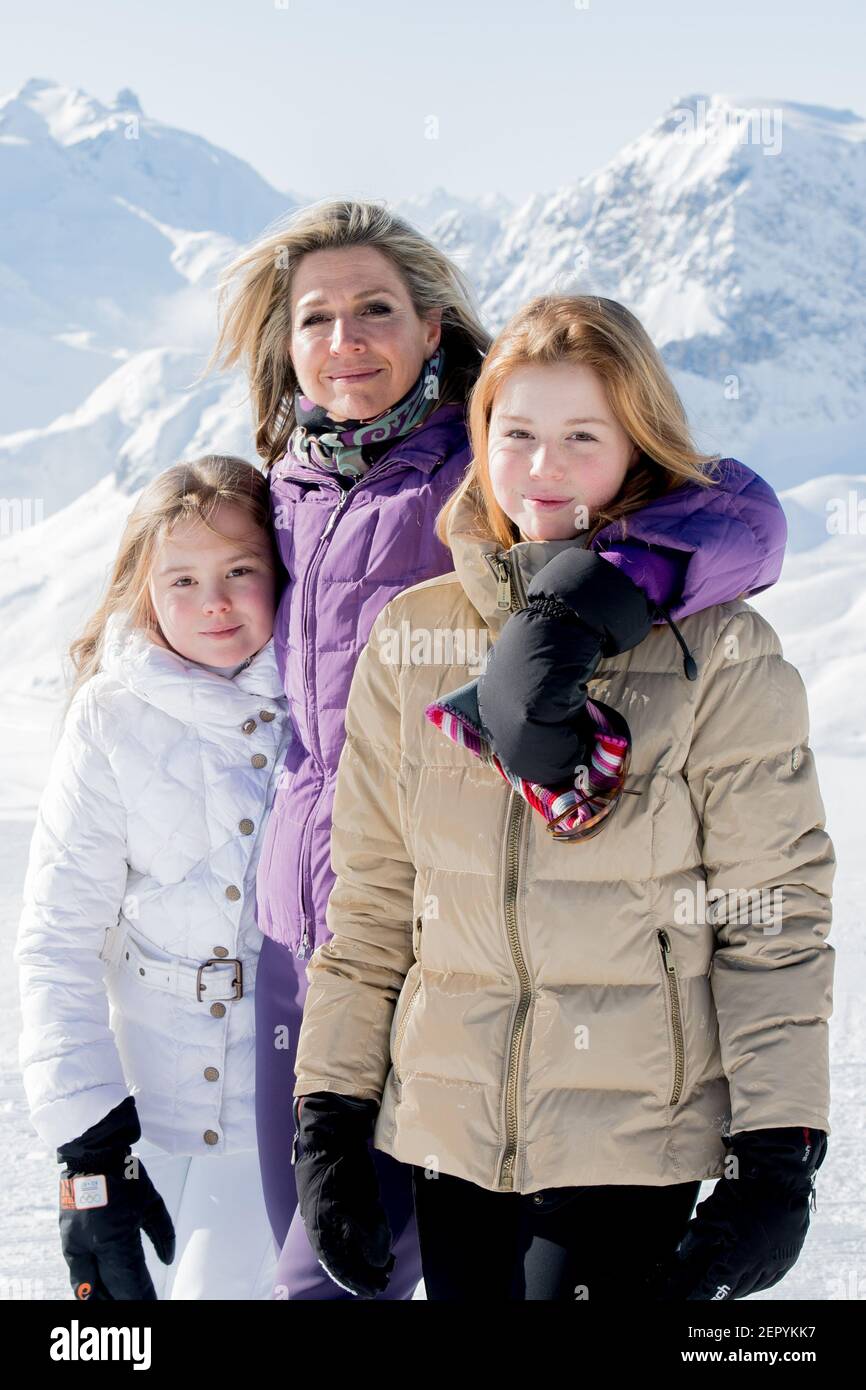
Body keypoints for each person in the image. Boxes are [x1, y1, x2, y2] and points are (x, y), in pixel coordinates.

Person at [206, 201, 793, 1300]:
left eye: (374, 309)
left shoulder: (476, 469)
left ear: (433, 330)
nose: (345, 340)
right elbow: (183, 616)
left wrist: (594, 602)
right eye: (316, 317)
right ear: (281, 344)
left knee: (325, 1291)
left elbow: (740, 516)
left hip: (468, 948)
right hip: (318, 939)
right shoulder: (272, 493)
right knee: (328, 1263)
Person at [14, 456, 292, 1300]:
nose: (214, 601)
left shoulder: (325, 702)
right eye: (183, 579)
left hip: (275, 1118)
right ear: (143, 589)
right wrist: (88, 1146)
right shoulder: (110, 718)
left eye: (241, 571)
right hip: (147, 1121)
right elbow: (58, 939)